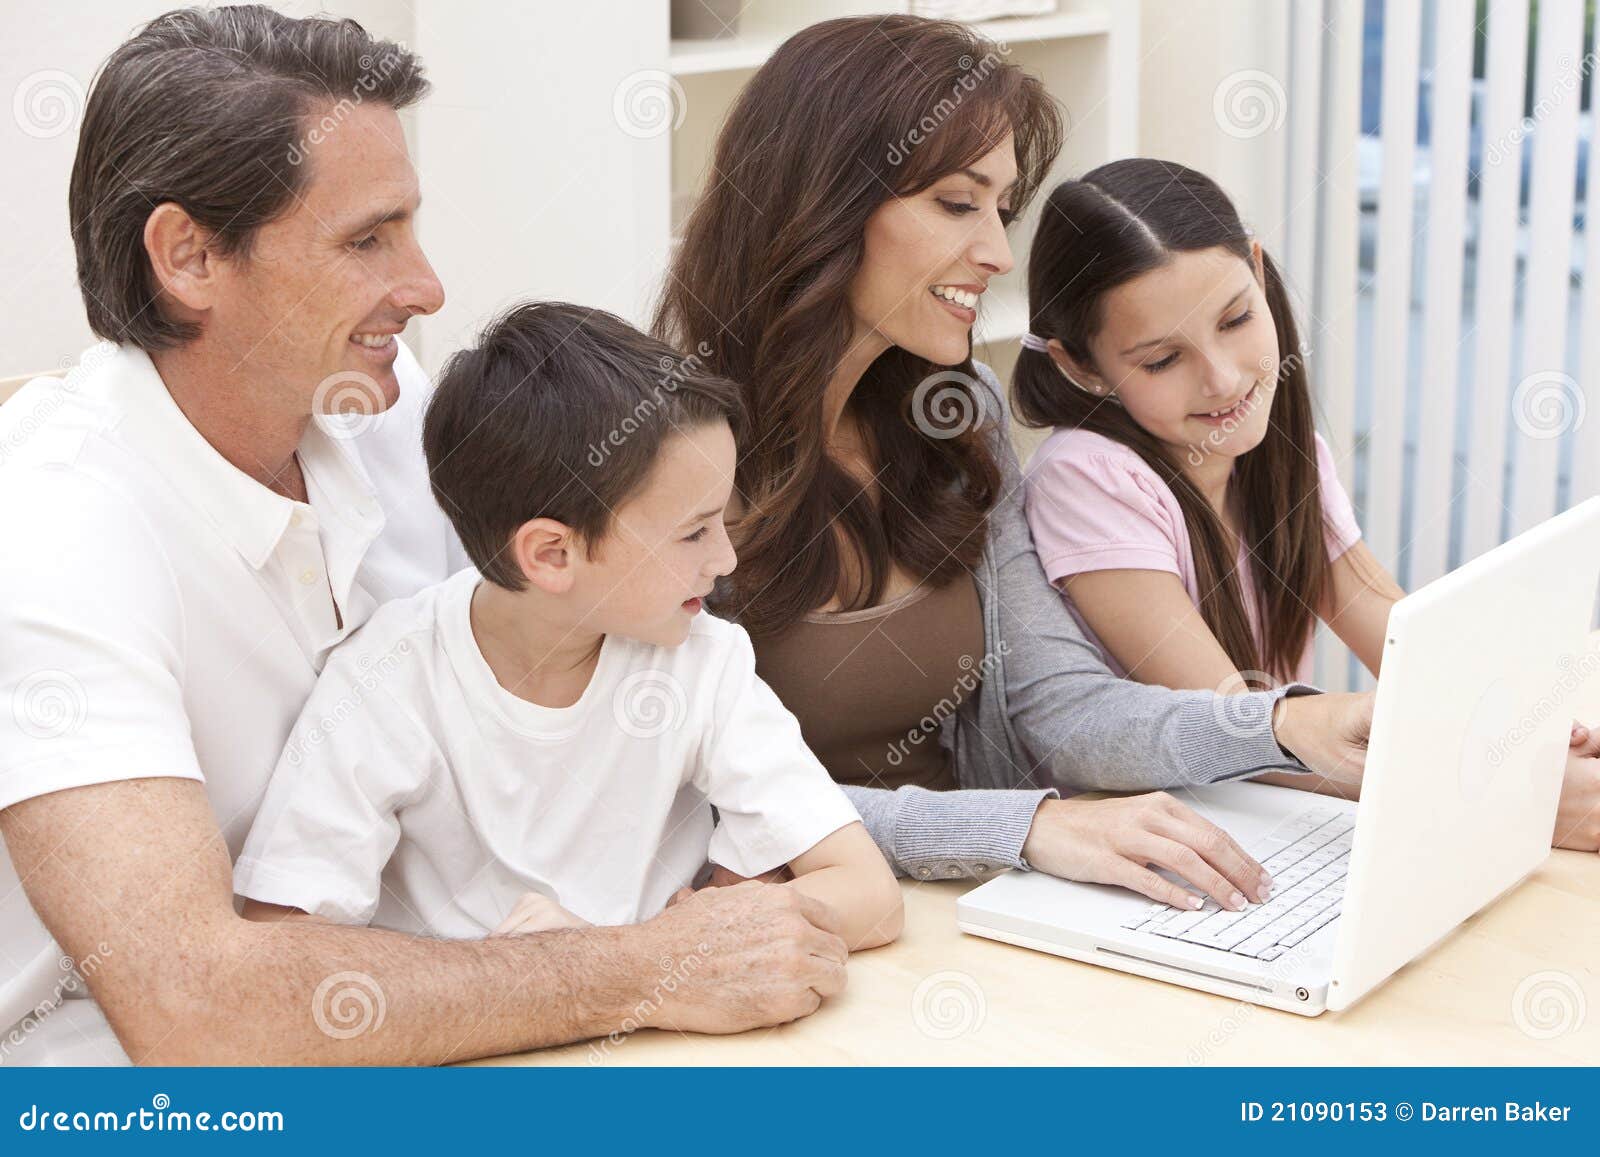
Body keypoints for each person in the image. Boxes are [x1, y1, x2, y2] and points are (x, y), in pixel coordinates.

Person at [0, 6, 854, 1067]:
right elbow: (197, 1011)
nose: (427, 286)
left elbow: (643, 710)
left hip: (424, 1029)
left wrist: (931, 835)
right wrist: (644, 965)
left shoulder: (382, 403)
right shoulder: (52, 529)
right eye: (367, 239)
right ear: (188, 256)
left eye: (408, 225)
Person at [654, 14, 1372, 916]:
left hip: (972, 904)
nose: (997, 253)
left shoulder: (957, 421)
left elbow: (1063, 708)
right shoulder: (665, 448)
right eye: (959, 204)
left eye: (1002, 208)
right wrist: (1022, 827)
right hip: (800, 919)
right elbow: (685, 805)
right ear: (824, 202)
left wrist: (1282, 721)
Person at [234, 302, 903, 953]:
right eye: (694, 531)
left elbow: (869, 895)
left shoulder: (703, 660)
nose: (725, 561)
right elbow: (279, 938)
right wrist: (556, 973)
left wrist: (639, 955)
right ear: (552, 554)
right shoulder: (389, 679)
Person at [1014, 157, 1600, 845]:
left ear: (1259, 271)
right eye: (1162, 361)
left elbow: (1399, 634)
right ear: (1080, 366)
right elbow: (1234, 730)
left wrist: (1521, 726)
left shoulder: (1282, 452)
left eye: (1235, 319)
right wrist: (1500, 788)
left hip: (1268, 825)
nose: (1224, 378)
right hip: (1169, 842)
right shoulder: (1087, 478)